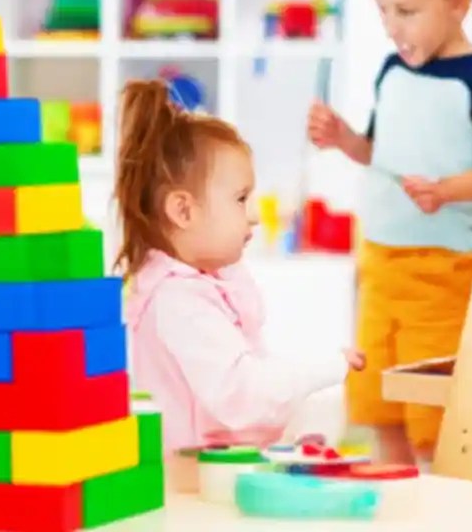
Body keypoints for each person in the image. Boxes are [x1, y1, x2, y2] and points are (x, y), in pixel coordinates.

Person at [307, 0, 472, 465]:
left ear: (458, 3)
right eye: (383, 10)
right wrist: (344, 139)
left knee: (438, 414)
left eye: (407, 12)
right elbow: (381, 151)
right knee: (381, 403)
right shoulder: (391, 70)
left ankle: (456, 507)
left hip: (446, 274)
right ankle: (402, 505)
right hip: (380, 266)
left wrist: (448, 190)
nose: (392, 27)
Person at [118, 79, 365, 453]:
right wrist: (328, 368)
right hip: (192, 488)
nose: (253, 216)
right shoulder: (179, 302)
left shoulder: (198, 288)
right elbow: (244, 398)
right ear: (183, 210)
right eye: (240, 198)